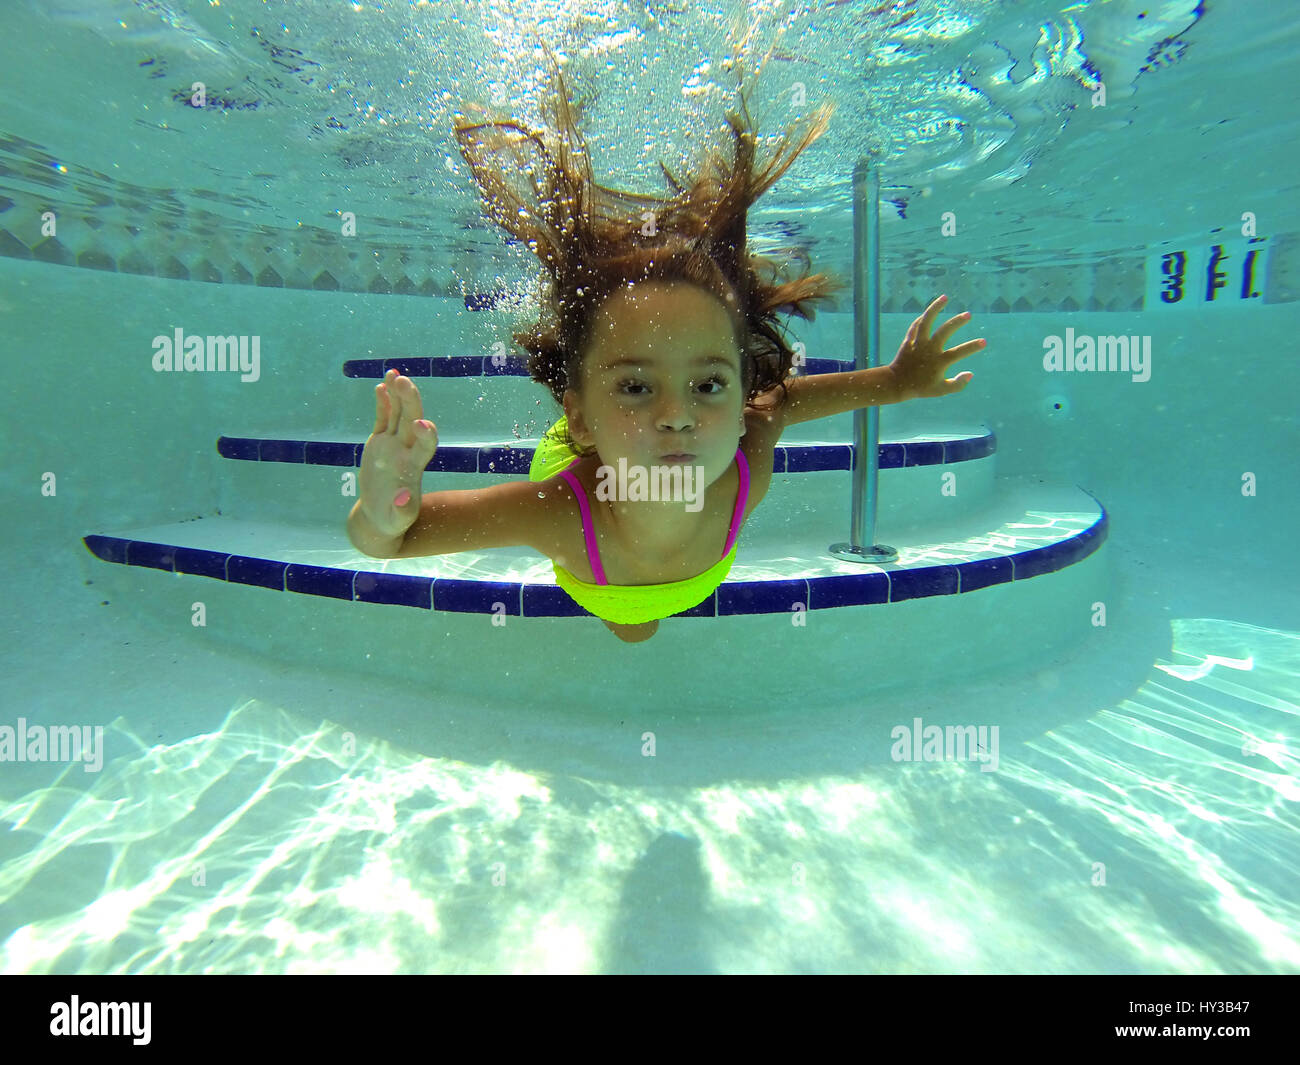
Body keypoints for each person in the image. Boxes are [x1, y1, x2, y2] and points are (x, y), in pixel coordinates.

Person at [346, 46, 984, 642]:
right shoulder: (561, 515)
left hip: (637, 507)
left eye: (709, 384)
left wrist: (897, 383)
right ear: (583, 416)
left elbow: (780, 402)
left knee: (643, 623)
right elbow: (389, 546)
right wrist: (386, 505)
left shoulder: (742, 460)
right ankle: (601, 465)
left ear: (739, 409)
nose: (677, 413)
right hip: (596, 532)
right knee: (629, 623)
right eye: (636, 385)